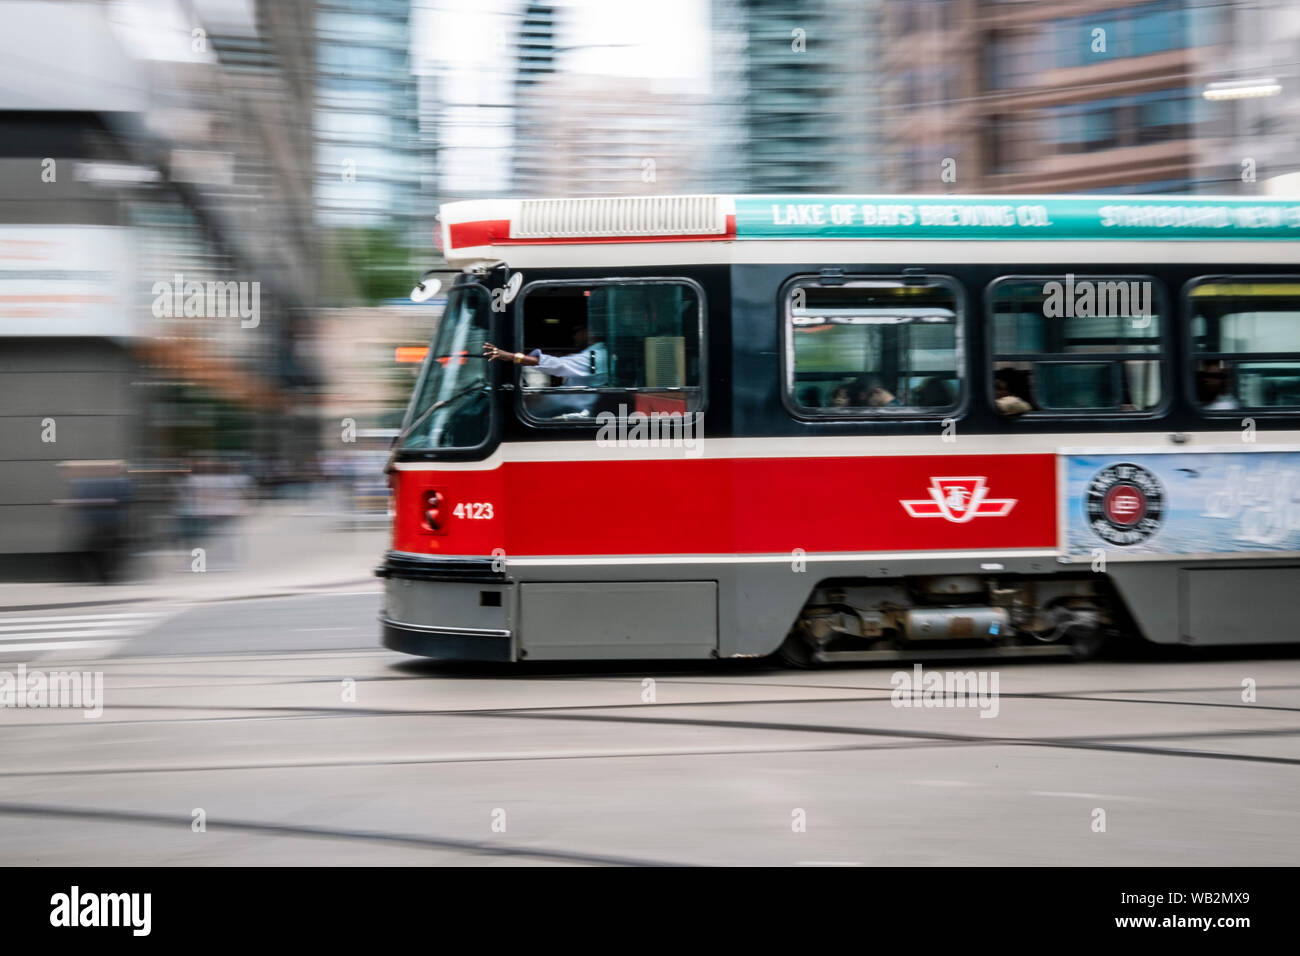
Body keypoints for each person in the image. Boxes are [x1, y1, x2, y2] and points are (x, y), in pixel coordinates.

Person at [484, 323, 609, 418]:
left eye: (577, 331)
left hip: (573, 409)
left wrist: (512, 356)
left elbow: (558, 365)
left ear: (589, 332)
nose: (574, 335)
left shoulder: (597, 355)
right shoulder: (595, 353)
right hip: (565, 403)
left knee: (514, 409)